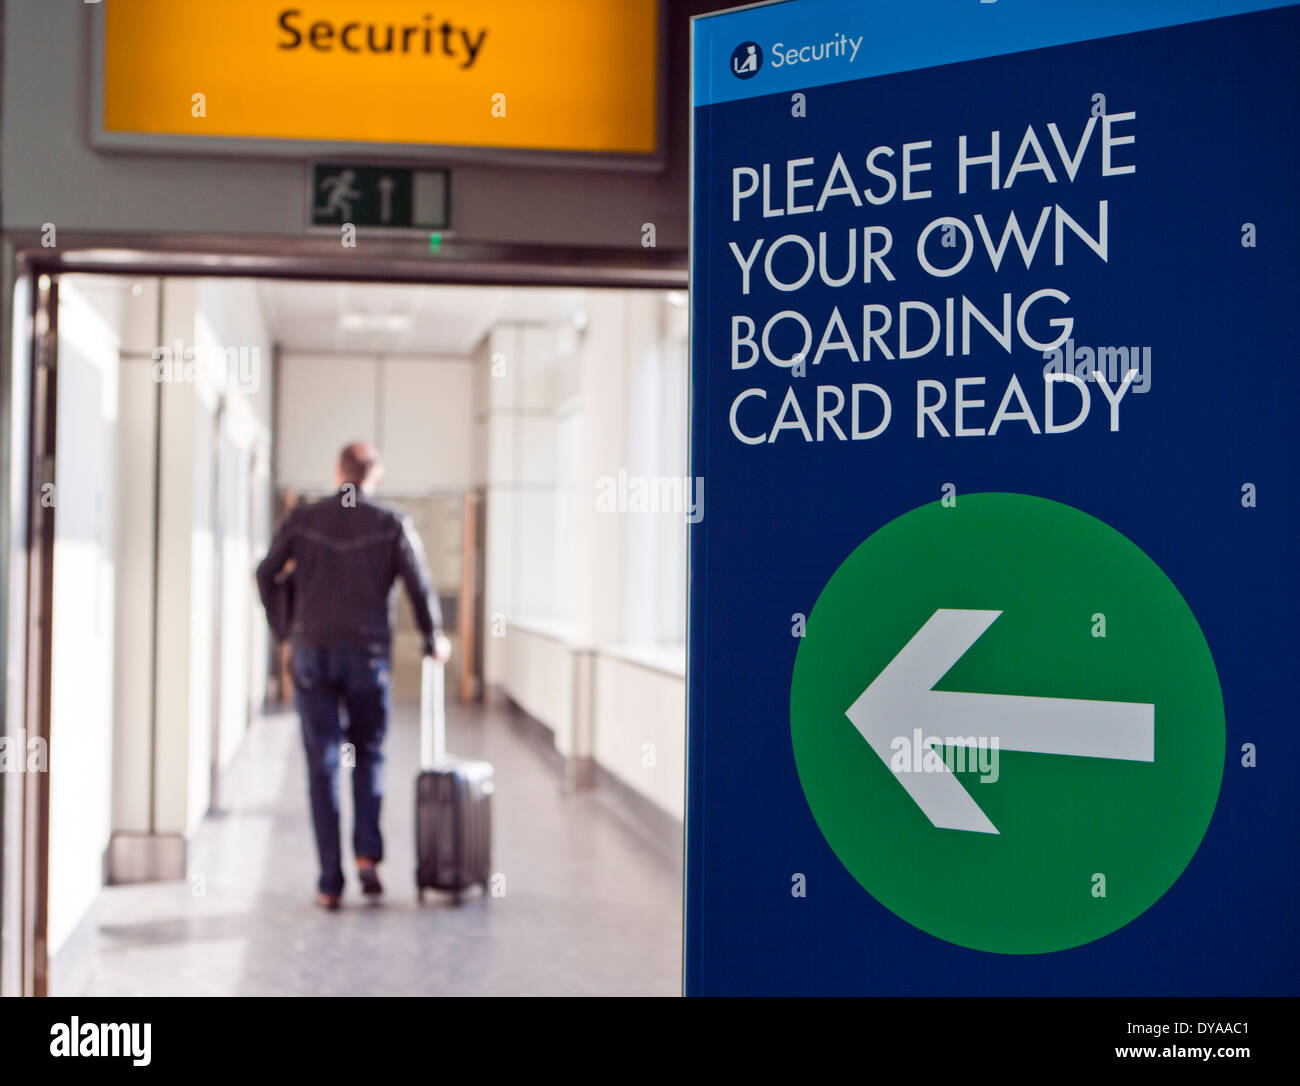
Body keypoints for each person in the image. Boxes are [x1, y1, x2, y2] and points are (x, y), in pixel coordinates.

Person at [256, 441, 450, 910]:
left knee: (322, 764)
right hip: (366, 657)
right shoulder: (390, 523)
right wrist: (433, 639)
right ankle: (367, 858)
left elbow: (265, 573)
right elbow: (418, 585)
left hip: (312, 655)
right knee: (368, 754)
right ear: (374, 476)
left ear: (337, 472)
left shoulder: (304, 519)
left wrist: (287, 630)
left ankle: (328, 882)